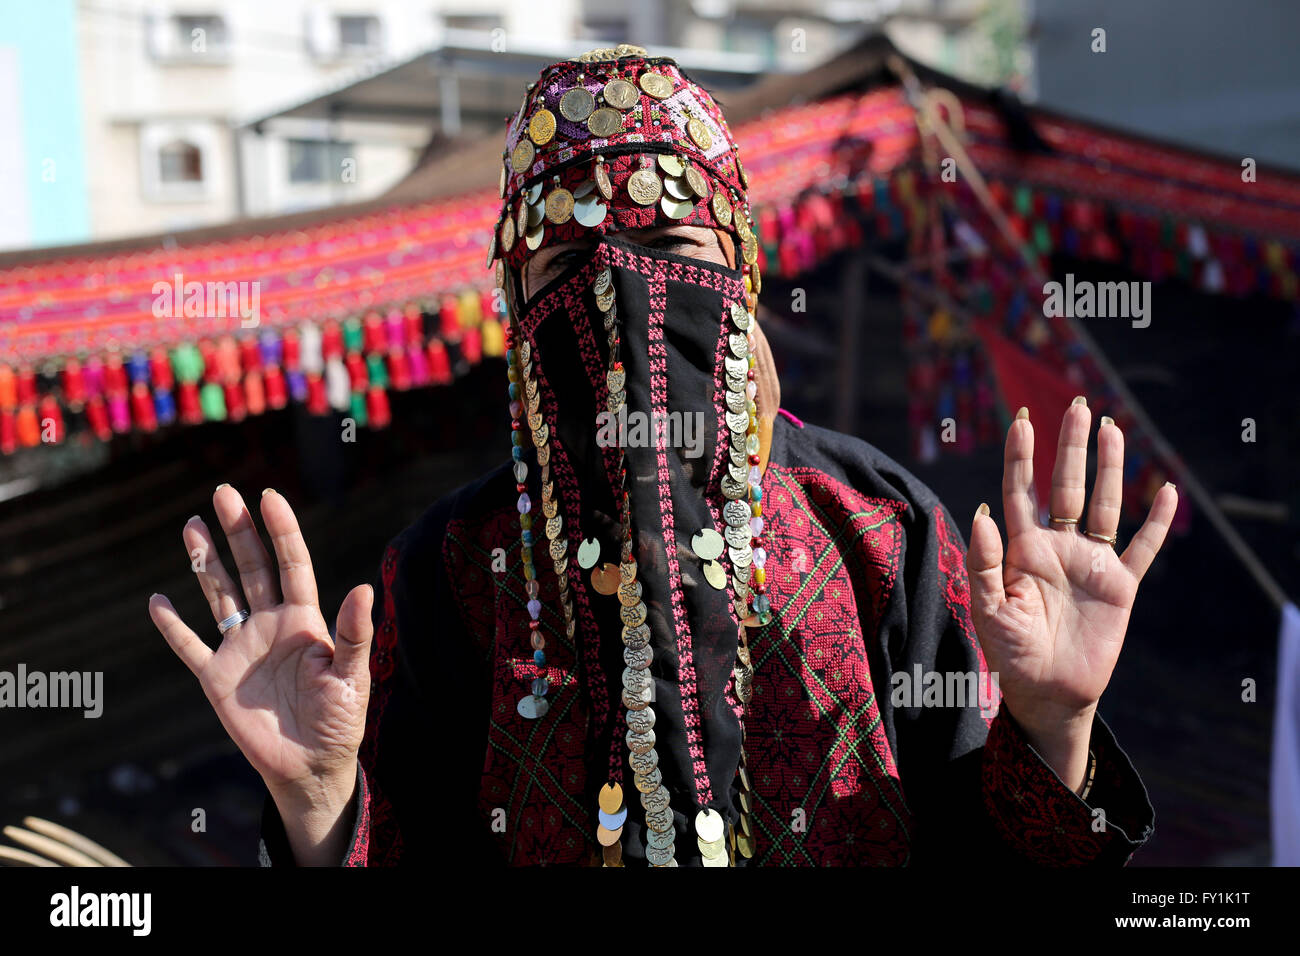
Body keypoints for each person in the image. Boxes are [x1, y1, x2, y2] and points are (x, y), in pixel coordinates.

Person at [147, 44, 1177, 867]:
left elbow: (988, 848)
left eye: (674, 255)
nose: (621, 302)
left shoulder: (877, 524)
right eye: (566, 264)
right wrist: (320, 802)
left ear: (744, 279)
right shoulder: (454, 566)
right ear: (516, 309)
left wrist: (1058, 728)